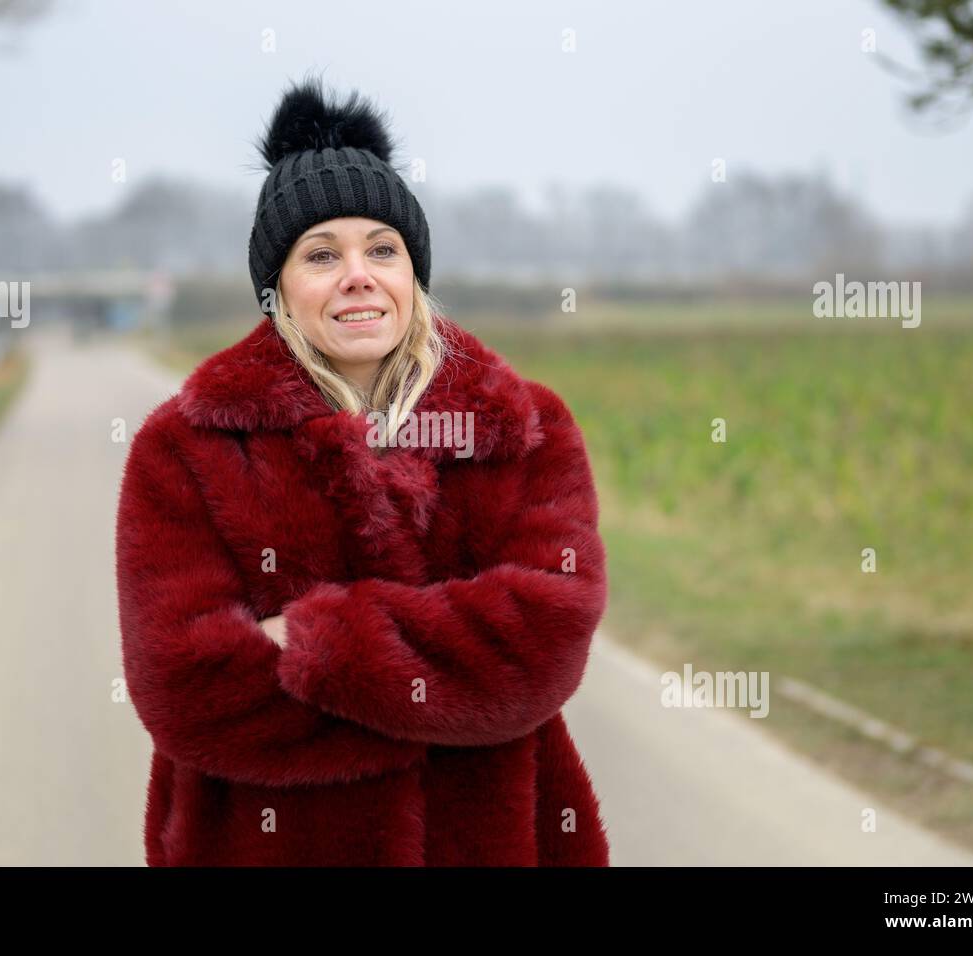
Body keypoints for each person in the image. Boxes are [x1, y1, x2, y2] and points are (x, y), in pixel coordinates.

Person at [115, 74, 610, 866]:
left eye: (383, 248)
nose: (359, 274)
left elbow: (545, 638)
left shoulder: (523, 425)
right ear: (274, 289)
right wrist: (448, 692)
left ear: (414, 272)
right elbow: (188, 686)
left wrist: (318, 647)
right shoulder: (189, 446)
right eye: (321, 254)